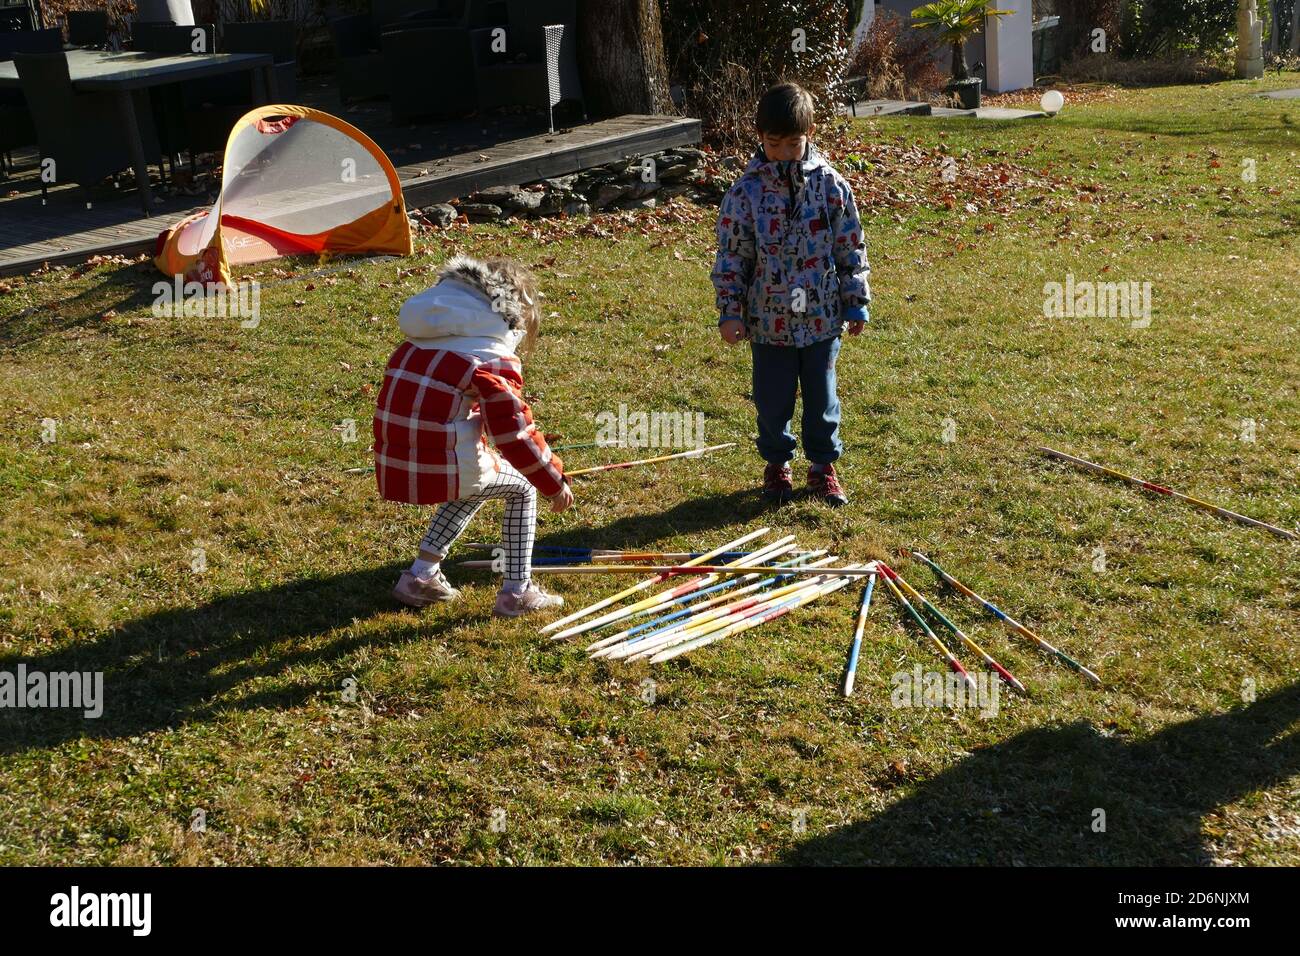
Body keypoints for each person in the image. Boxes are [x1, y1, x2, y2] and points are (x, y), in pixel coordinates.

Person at [373, 255, 573, 616]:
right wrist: (552, 479)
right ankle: (517, 593)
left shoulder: (423, 338)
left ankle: (420, 576)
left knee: (481, 480)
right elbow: (515, 434)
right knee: (523, 489)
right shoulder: (489, 357)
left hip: (395, 459)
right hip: (441, 461)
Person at [712, 81, 871, 507]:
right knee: (772, 398)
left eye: (794, 143)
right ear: (760, 137)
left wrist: (855, 300)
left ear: (810, 134)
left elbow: (850, 246)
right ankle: (777, 463)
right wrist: (730, 310)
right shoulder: (744, 193)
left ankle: (822, 467)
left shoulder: (831, 186)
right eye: (774, 143)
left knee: (822, 398)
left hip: (821, 317)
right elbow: (732, 256)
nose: (784, 152)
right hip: (768, 321)